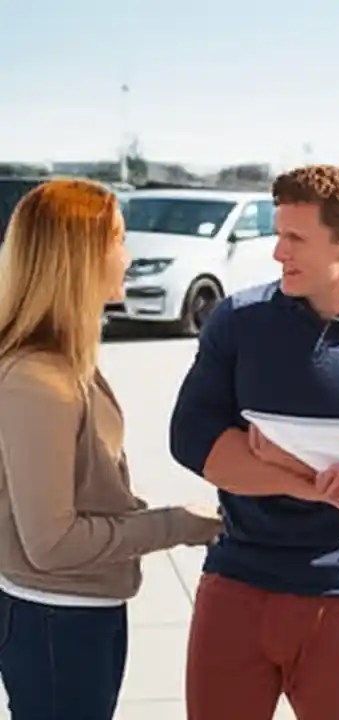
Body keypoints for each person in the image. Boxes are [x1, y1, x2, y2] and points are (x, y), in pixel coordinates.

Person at [168, 165, 339, 720]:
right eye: (278, 234)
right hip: (237, 582)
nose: (277, 252)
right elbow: (191, 440)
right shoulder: (239, 321)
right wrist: (311, 482)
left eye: (295, 239)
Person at [0, 178, 223, 720]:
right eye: (119, 239)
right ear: (76, 259)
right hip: (58, 624)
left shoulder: (62, 363)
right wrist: (176, 525)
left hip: (75, 615)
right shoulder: (36, 379)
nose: (129, 256)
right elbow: (51, 543)